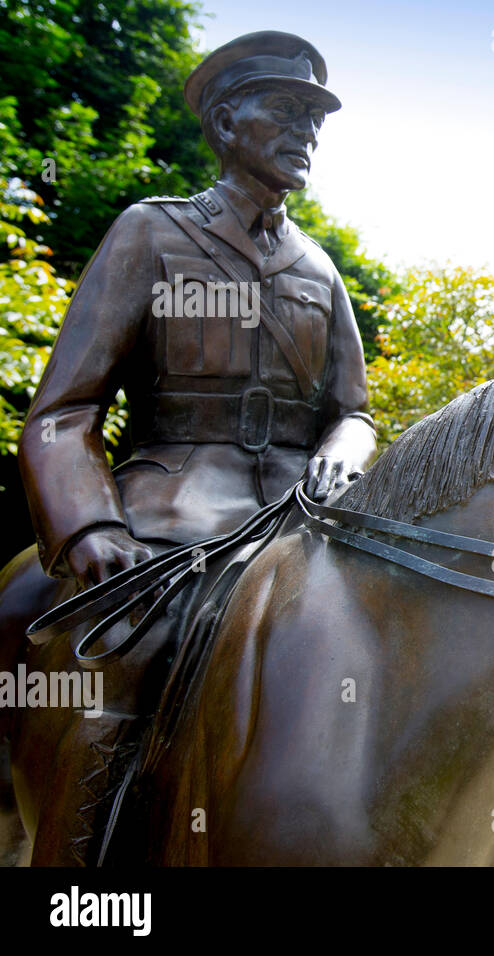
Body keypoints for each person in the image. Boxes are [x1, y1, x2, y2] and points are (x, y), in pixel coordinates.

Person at [5, 30, 376, 863]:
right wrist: (90, 528)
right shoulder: (151, 233)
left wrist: (349, 446)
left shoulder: (320, 270)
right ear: (223, 122)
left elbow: (355, 408)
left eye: (313, 120)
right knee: (124, 651)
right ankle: (80, 885)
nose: (304, 132)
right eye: (284, 111)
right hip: (171, 507)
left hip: (299, 514)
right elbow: (63, 414)